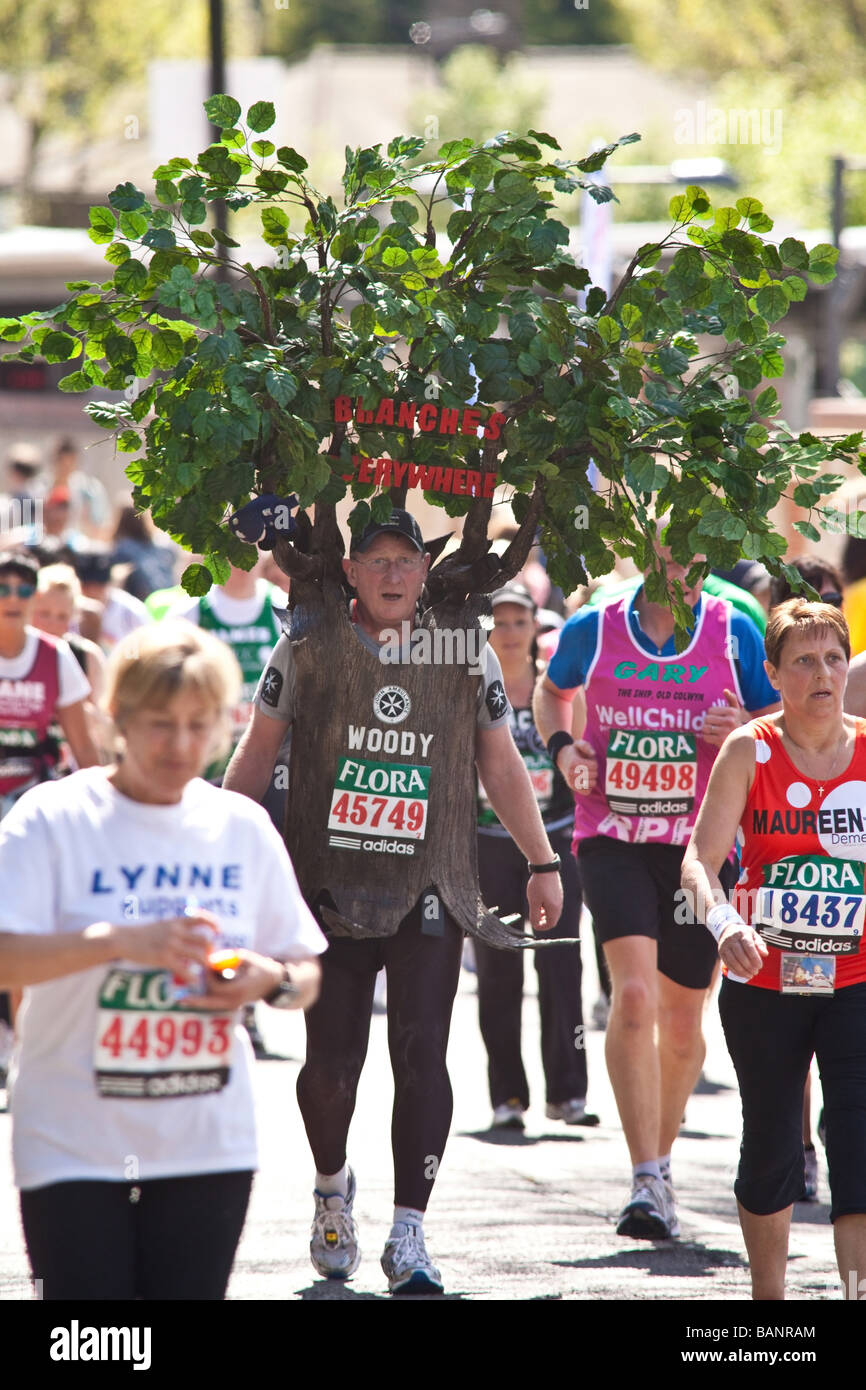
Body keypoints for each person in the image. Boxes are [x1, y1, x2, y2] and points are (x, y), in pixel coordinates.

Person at [224, 508, 563, 1294]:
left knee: (421, 1056)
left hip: (431, 886)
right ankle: (332, 1190)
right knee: (334, 1064)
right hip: (332, 890)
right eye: (374, 559)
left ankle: (410, 1232)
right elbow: (257, 752)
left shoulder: (460, 650)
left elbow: (501, 763)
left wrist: (542, 860)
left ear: (423, 570)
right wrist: (203, 845)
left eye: (404, 561)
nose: (390, 574)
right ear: (349, 571)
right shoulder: (306, 645)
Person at [0, 622, 325, 1300]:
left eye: (198, 726)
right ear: (115, 716)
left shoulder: (240, 827)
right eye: (159, 724)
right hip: (72, 1143)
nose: (180, 746)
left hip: (208, 1142)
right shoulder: (51, 819)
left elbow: (302, 971)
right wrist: (120, 942)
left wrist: (266, 981)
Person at [533, 519, 779, 1240]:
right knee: (632, 997)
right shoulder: (596, 624)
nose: (687, 569)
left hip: (700, 848)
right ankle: (645, 1176)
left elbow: (776, 714)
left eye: (699, 558)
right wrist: (563, 750)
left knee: (680, 1021)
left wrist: (744, 723)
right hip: (611, 834)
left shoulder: (737, 628)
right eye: (674, 554)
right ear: (646, 554)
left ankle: (663, 1162)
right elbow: (554, 696)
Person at [681, 598, 866, 1300]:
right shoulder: (749, 749)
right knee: (772, 1150)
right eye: (803, 662)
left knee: (857, 1150)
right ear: (773, 674)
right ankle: (769, 1314)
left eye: (833, 658)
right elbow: (698, 864)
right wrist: (725, 924)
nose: (823, 673)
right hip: (766, 987)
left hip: (858, 980)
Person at [476, 581, 596, 1130]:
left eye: (519, 621)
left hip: (555, 843)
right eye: (498, 622)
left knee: (561, 964)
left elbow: (585, 753)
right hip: (489, 846)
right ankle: (507, 1097)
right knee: (498, 973)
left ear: (534, 628)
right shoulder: (470, 689)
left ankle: (568, 1093)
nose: (508, 632)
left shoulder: (556, 693)